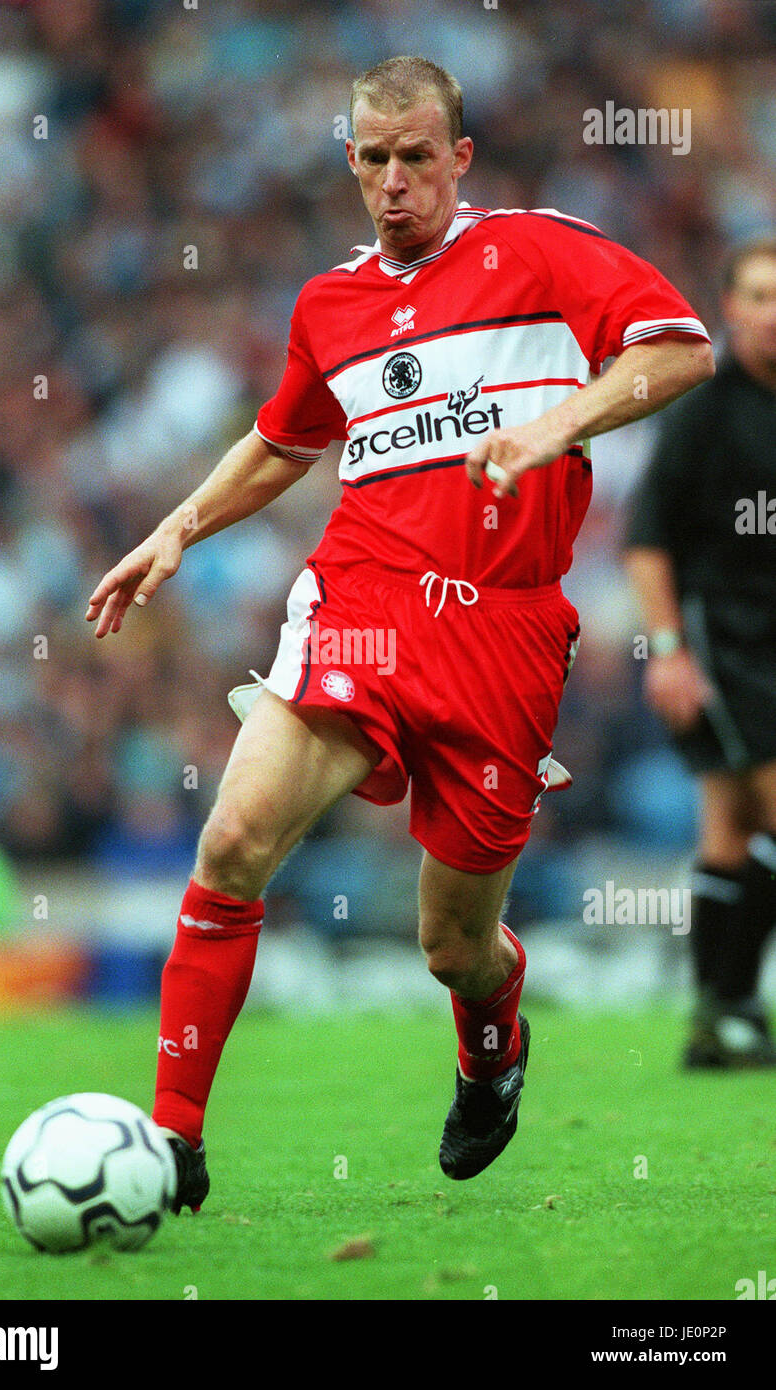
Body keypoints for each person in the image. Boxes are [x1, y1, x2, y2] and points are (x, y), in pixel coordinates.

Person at [86, 56, 714, 1213]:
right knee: (231, 844)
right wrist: (176, 527)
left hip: (505, 636)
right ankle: (170, 1140)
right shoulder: (329, 303)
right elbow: (286, 439)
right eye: (371, 160)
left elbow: (677, 348)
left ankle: (491, 1039)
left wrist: (551, 428)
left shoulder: (536, 250)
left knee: (452, 946)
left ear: (457, 158)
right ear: (349, 165)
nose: (392, 182)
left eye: (415, 157)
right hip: (360, 603)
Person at [625, 237, 776, 1068]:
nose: (771, 313)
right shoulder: (705, 413)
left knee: (730, 827)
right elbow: (646, 540)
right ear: (728, 308)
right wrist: (669, 649)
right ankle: (728, 1010)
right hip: (725, 644)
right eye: (756, 296)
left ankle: (722, 1016)